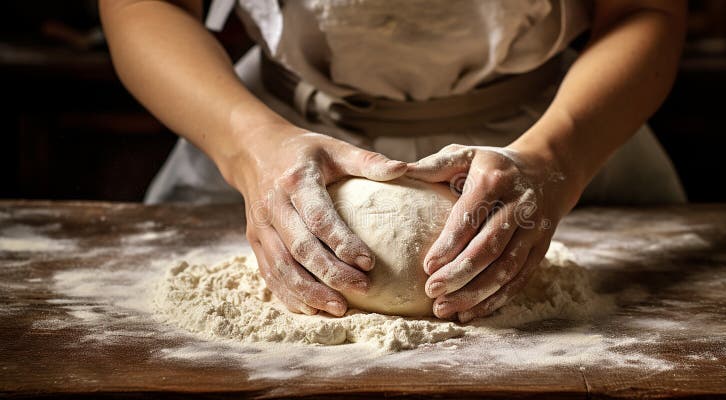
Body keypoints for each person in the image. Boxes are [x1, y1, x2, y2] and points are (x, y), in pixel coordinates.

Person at [99, 0, 687, 322]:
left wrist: (557, 159)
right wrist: (250, 145)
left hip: (561, 121)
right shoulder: (254, 142)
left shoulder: (559, 147)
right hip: (260, 123)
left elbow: (648, 10)